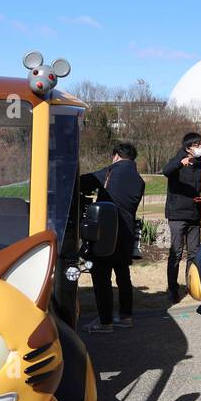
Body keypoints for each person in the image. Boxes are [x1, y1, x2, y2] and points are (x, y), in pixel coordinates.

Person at [83, 142, 145, 331]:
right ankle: (126, 317)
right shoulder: (139, 180)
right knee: (123, 275)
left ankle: (105, 321)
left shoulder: (111, 171)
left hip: (106, 233)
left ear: (116, 155)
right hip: (126, 233)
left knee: (101, 276)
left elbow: (84, 181)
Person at [162, 132, 201, 303]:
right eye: (196, 145)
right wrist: (181, 162)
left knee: (193, 253)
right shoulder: (177, 161)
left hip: (195, 214)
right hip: (177, 214)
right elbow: (166, 171)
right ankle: (172, 289)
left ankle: (190, 285)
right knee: (176, 253)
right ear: (188, 147)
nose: (200, 148)